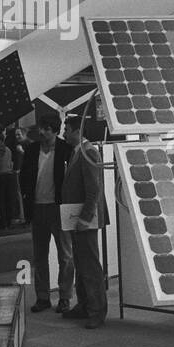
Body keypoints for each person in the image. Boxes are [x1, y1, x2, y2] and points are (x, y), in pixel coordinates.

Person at [19, 117, 73, 313]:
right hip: (37, 207)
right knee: (39, 255)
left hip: (58, 208)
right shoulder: (32, 150)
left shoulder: (66, 149)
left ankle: (65, 297)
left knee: (65, 255)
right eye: (41, 128)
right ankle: (43, 297)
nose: (42, 132)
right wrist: (26, 199)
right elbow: (24, 176)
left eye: (46, 129)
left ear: (55, 131)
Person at [59, 117, 109, 329]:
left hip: (84, 219)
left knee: (90, 266)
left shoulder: (88, 152)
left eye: (67, 129)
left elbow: (94, 189)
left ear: (77, 130)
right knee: (81, 263)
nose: (64, 134)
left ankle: (97, 310)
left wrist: (86, 217)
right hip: (77, 219)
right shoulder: (79, 151)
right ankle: (85, 305)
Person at [0, 128, 24, 231]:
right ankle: (9, 220)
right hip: (9, 175)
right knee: (9, 199)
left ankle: (2, 222)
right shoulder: (8, 150)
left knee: (1, 200)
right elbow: (11, 163)